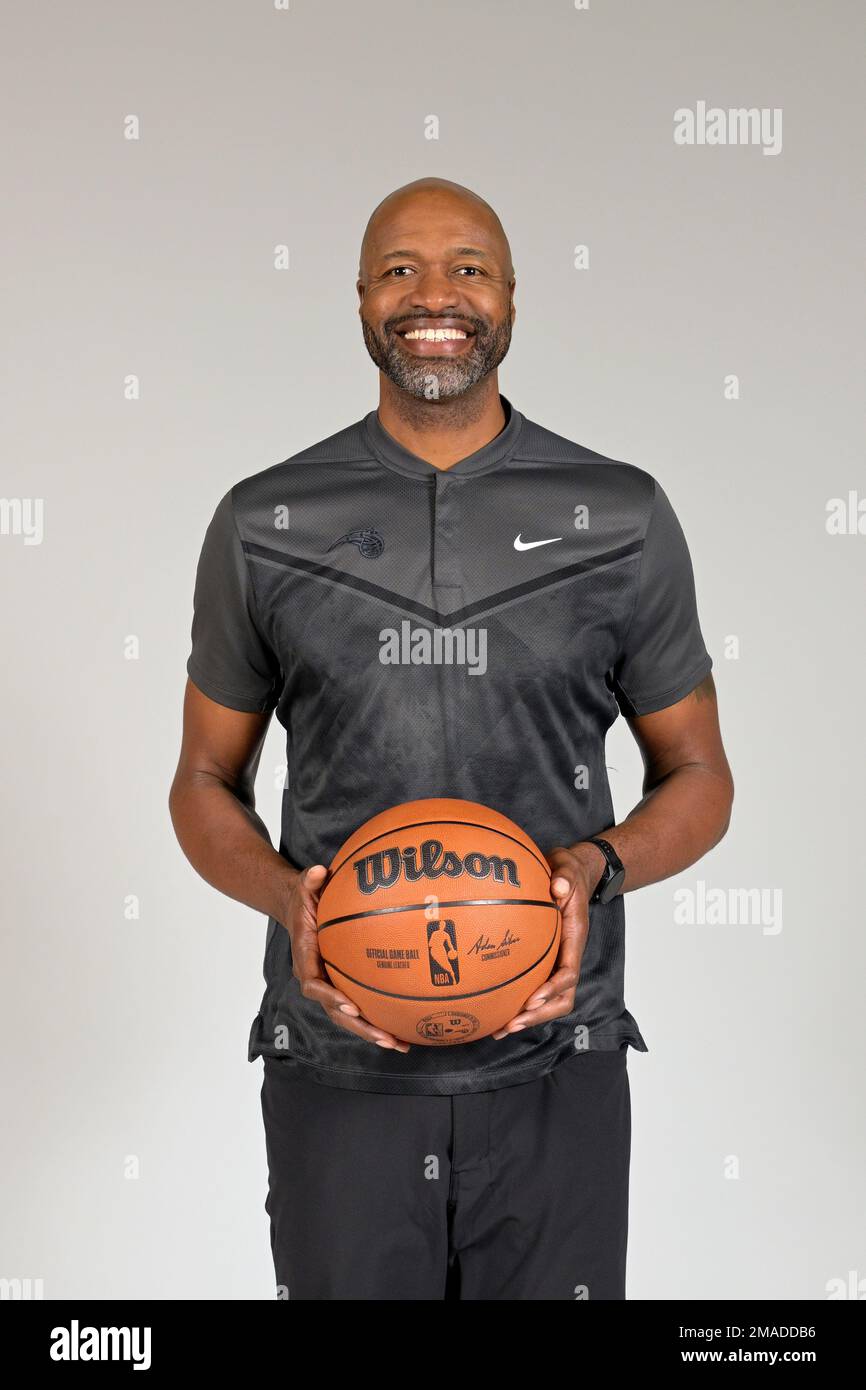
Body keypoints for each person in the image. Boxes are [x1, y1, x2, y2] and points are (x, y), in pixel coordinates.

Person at [169, 177, 734, 1300]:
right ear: (361, 302)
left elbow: (700, 775)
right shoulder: (264, 521)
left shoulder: (617, 514)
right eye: (399, 269)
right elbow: (200, 781)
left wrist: (592, 865)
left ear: (511, 298)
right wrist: (292, 900)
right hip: (339, 1068)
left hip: (555, 1063)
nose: (434, 295)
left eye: (466, 267)